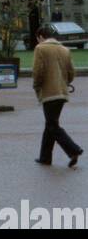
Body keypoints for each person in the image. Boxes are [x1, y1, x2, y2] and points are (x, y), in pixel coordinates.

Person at [33, 25, 83, 168]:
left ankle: (73, 150)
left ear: (41, 37)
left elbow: (38, 71)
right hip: (62, 91)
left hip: (49, 92)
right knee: (50, 123)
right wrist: (64, 82)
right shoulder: (64, 49)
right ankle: (45, 157)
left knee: (52, 125)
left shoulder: (41, 49)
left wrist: (36, 85)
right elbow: (71, 72)